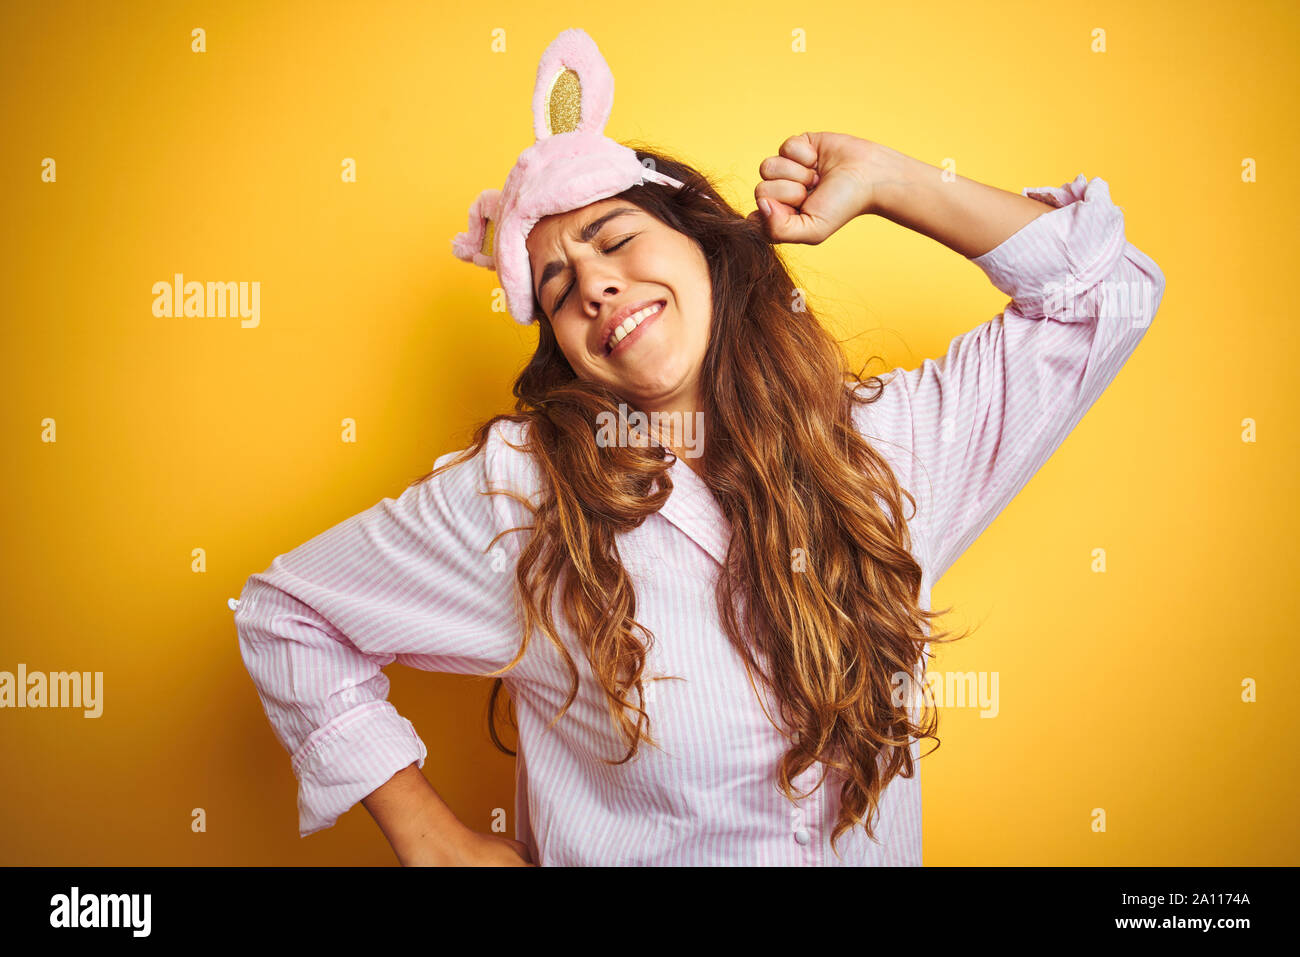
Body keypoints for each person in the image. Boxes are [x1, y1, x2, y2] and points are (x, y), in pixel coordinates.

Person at [232, 30, 1165, 867]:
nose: (595, 285)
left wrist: (889, 179)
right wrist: (434, 841)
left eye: (615, 238)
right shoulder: (525, 494)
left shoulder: (886, 447)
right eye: (559, 286)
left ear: (703, 245)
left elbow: (1105, 292)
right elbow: (286, 616)